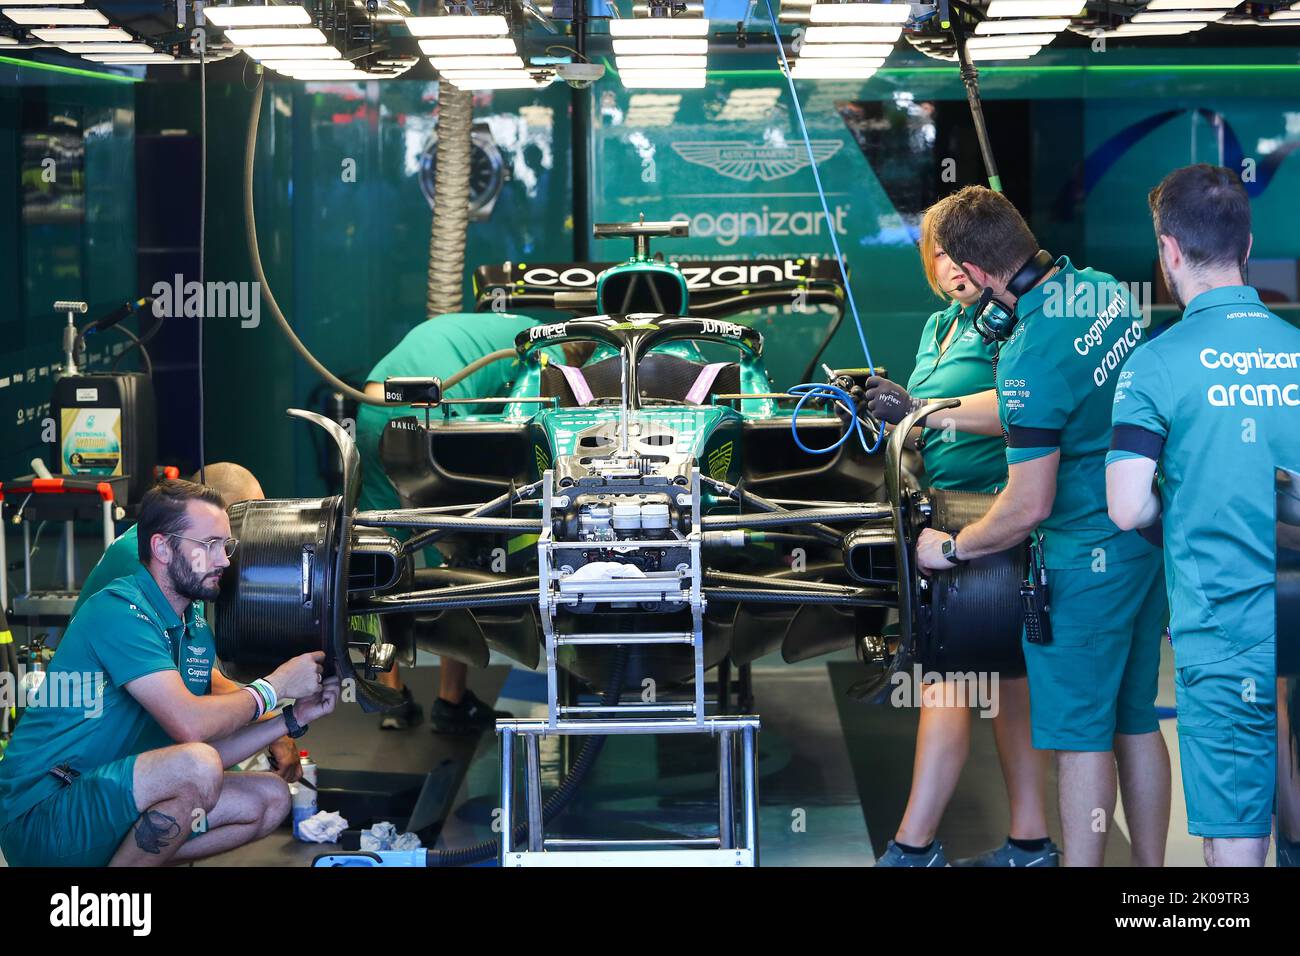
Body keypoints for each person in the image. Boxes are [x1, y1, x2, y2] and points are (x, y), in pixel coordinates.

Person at [914, 185, 1171, 867]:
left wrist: (950, 548)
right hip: (1148, 534)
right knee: (1136, 719)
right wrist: (927, 409)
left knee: (1083, 738)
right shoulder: (1101, 291)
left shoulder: (1029, 354)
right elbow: (1047, 404)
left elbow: (1026, 505)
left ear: (971, 277)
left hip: (1086, 558)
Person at [1106, 164, 1300, 867]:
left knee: (1235, 835)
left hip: (1225, 627)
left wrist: (1186, 503)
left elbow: (1126, 506)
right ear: (1246, 248)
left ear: (1170, 252)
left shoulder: (1155, 365)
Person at [0, 479, 338, 866]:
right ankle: (107, 909)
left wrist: (293, 718)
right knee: (196, 765)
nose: (224, 560)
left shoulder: (193, 625)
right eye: (209, 546)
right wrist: (274, 687)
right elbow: (191, 730)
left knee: (271, 798)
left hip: (112, 799)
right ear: (162, 547)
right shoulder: (119, 610)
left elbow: (206, 746)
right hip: (43, 816)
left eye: (225, 546)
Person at [866, 199, 1055, 867]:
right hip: (942, 509)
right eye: (937, 254)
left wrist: (923, 407)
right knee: (1002, 682)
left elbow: (1023, 410)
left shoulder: (1014, 327)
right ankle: (1030, 842)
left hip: (998, 512)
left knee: (954, 676)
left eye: (959, 253)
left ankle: (913, 847)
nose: (950, 267)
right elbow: (925, 420)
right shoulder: (938, 327)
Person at [356, 313, 535, 734]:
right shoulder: (552, 349)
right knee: (457, 548)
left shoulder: (483, 327)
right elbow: (525, 416)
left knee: (381, 548)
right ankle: (451, 703)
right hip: (435, 423)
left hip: (374, 411)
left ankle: (393, 699)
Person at [69, 463, 301, 783]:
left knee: (260, 793)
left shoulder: (186, 555)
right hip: (98, 732)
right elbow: (184, 709)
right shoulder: (149, 560)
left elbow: (195, 668)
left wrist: (272, 722)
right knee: (206, 772)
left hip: (144, 701)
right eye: (250, 519)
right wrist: (271, 707)